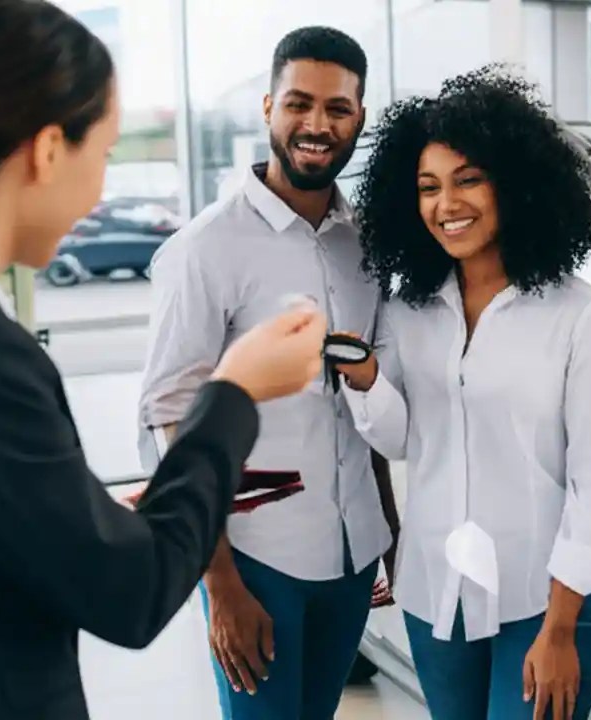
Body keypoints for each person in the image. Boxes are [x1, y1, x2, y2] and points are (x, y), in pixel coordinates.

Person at [0, 2, 328, 719]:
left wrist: (75, 501)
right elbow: (131, 593)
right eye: (103, 156)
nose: (99, 191)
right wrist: (234, 392)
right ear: (45, 151)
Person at [338, 66, 591, 720]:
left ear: (515, 185)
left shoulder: (577, 315)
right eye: (428, 187)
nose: (448, 204)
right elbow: (401, 440)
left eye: (468, 179)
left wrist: (559, 630)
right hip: (435, 592)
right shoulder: (407, 310)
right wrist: (366, 381)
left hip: (545, 601)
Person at [137, 25, 400, 720]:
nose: (317, 125)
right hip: (255, 560)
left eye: (337, 109)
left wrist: (392, 535)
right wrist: (218, 583)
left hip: (351, 555)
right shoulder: (205, 249)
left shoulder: (367, 244)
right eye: (299, 104)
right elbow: (171, 418)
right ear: (268, 109)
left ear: (359, 119)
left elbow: (362, 408)